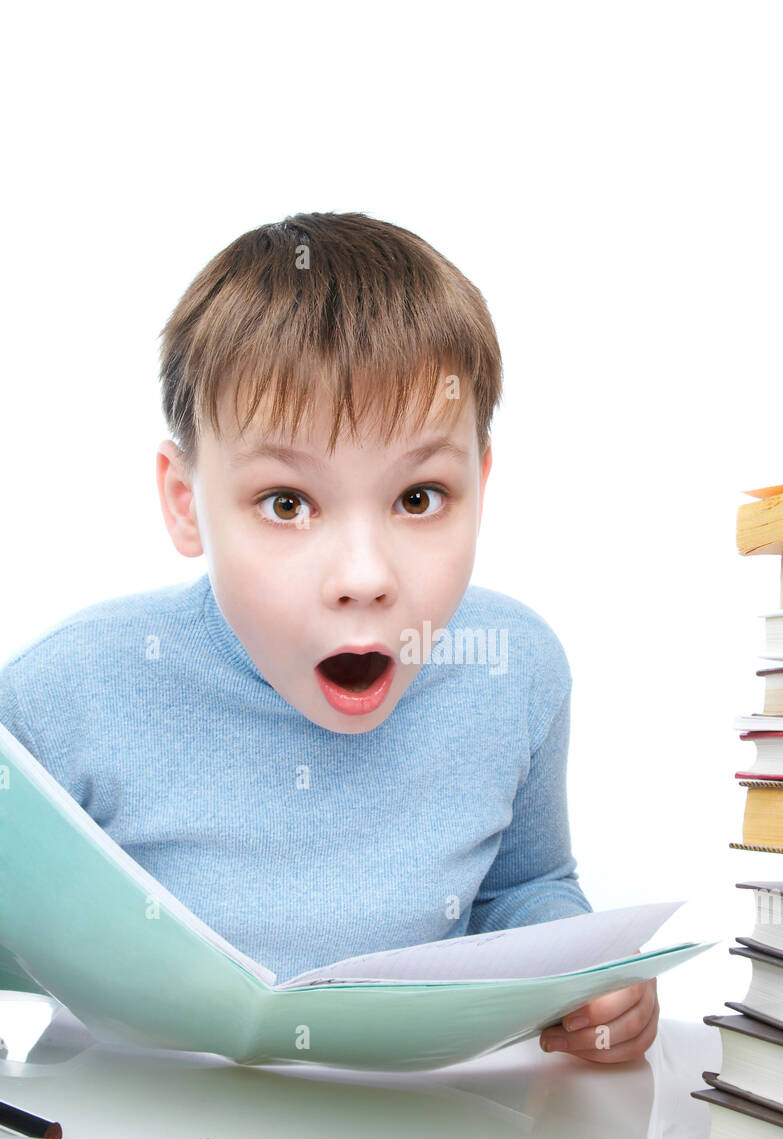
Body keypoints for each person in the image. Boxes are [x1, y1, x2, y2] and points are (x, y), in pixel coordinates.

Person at [0, 212, 657, 1064]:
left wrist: (586, 966)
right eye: (287, 503)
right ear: (184, 500)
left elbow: (524, 888)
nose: (363, 575)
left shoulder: (515, 672)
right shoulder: (65, 692)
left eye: (419, 498)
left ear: (479, 485)